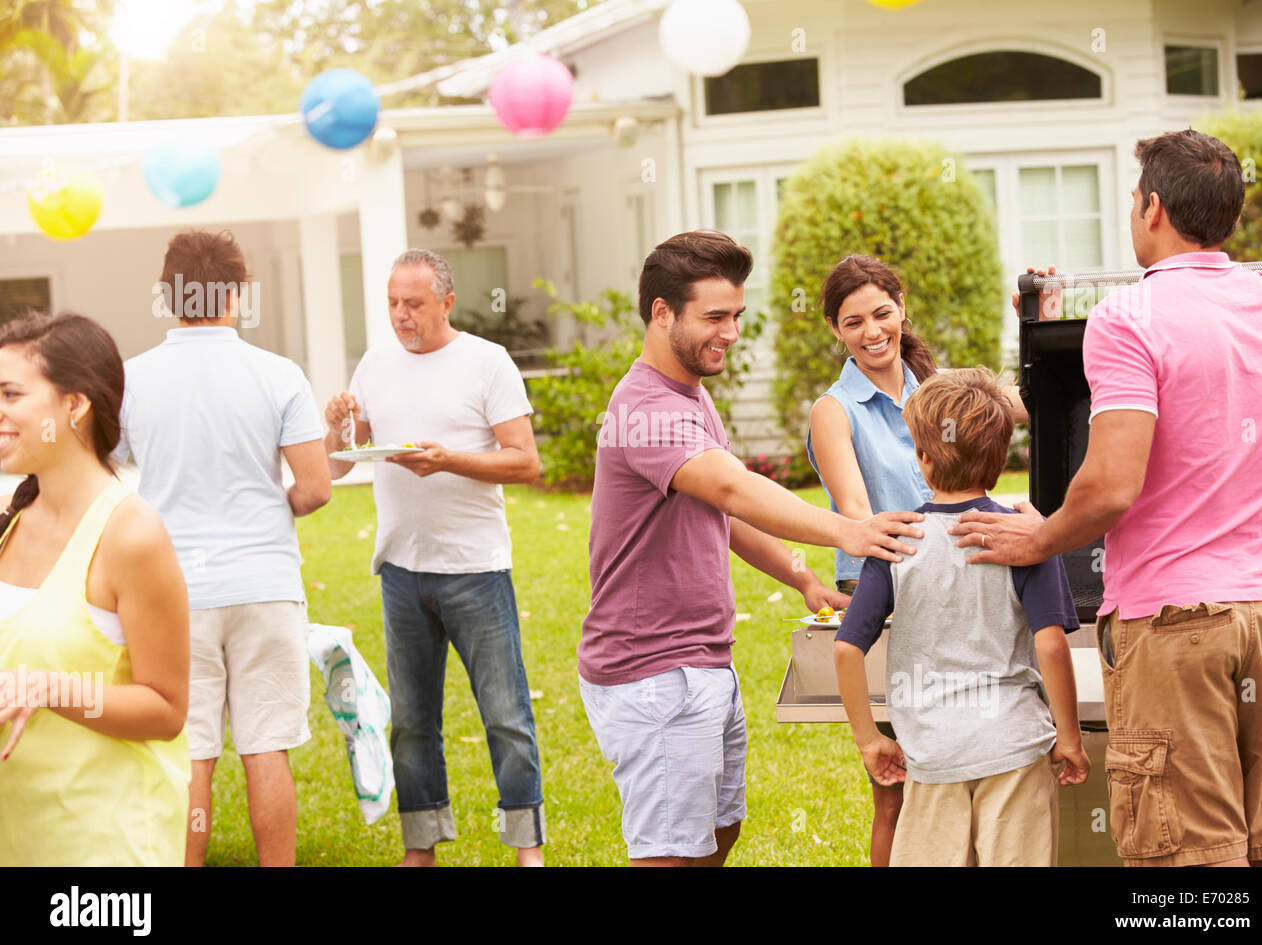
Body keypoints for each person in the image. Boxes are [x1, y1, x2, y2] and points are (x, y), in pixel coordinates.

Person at [951, 129, 1262, 867]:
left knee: (1192, 865)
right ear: (1230, 218)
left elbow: (1111, 484)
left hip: (1174, 626)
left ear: (1151, 209)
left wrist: (1039, 540)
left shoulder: (1128, 317)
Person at [580, 230, 927, 866]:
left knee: (718, 836)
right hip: (654, 668)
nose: (731, 333)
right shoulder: (647, 409)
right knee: (670, 854)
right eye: (715, 317)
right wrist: (847, 531)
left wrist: (801, 577)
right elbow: (731, 488)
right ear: (662, 313)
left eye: (736, 316)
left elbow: (719, 512)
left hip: (700, 660)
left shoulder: (688, 394)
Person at [806, 254, 1029, 866]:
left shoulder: (938, 391)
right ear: (835, 329)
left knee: (972, 767)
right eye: (854, 323)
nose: (872, 332)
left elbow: (1021, 410)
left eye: (882, 313)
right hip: (889, 596)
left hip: (958, 583)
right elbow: (857, 511)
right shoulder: (835, 411)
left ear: (901, 306)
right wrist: (939, 529)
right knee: (900, 787)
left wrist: (1033, 319)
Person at [119, 229, 332, 867]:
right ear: (238, 292)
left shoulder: (130, 380)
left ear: (167, 294)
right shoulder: (278, 374)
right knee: (267, 749)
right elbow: (316, 489)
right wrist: (273, 508)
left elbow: (105, 480)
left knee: (192, 754)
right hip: (264, 585)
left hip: (171, 594)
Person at [325, 249, 546, 867]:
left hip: (475, 568)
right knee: (412, 722)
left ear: (446, 302)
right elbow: (342, 460)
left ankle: (527, 847)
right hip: (400, 569)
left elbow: (525, 461)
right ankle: (420, 845)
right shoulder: (375, 365)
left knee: (505, 716)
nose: (401, 315)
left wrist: (448, 459)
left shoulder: (486, 361)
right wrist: (334, 424)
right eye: (393, 302)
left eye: (414, 303)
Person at [833, 368, 1088, 866]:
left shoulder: (896, 540)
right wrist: (1071, 739)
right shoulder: (1025, 535)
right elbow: (1052, 645)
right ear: (998, 462)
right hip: (1015, 748)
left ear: (922, 459)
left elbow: (845, 649)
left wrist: (869, 740)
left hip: (932, 756)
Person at [0, 312, 189, 865]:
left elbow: (168, 708)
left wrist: (54, 689)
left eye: (11, 394)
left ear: (74, 405)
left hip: (102, 851)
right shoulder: (11, 522)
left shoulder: (130, 534)